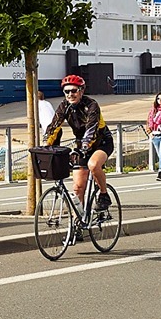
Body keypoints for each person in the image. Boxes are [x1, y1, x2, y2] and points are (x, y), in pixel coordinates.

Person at [43, 74, 113, 215]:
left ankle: (104, 195)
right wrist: (46, 144)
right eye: (67, 91)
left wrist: (85, 146)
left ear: (81, 90)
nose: (70, 94)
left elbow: (91, 129)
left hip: (101, 142)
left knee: (93, 165)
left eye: (74, 91)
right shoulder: (64, 106)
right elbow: (54, 126)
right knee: (78, 187)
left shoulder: (91, 105)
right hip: (82, 144)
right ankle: (78, 222)